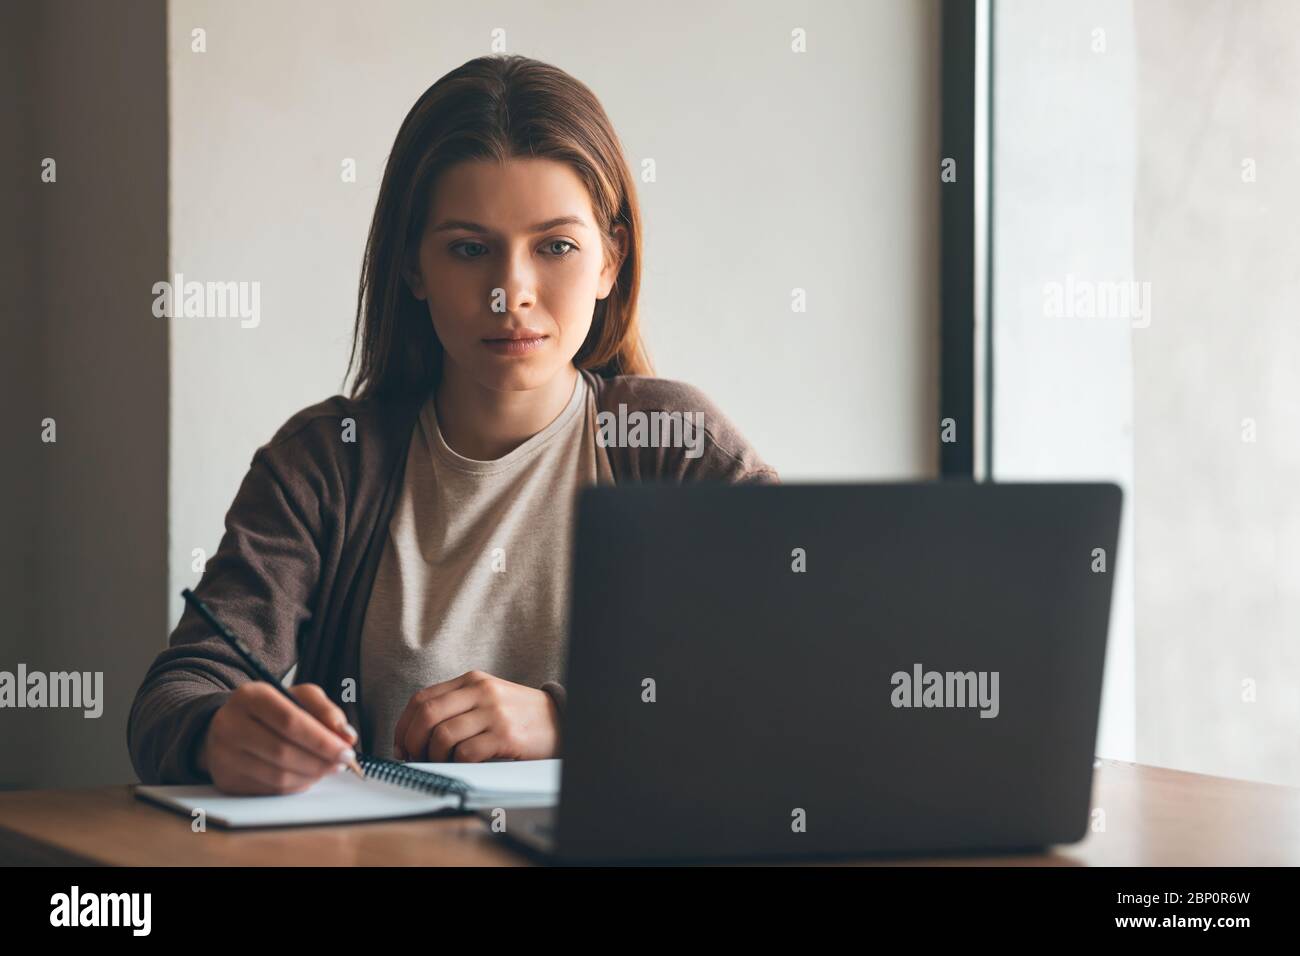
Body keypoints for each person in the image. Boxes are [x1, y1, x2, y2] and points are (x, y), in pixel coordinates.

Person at [127, 54, 778, 794]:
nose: (511, 294)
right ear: (412, 267)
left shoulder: (675, 445)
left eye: (556, 246)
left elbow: (804, 664)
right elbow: (175, 694)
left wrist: (570, 721)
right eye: (470, 249)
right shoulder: (325, 464)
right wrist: (219, 734)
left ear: (609, 261)